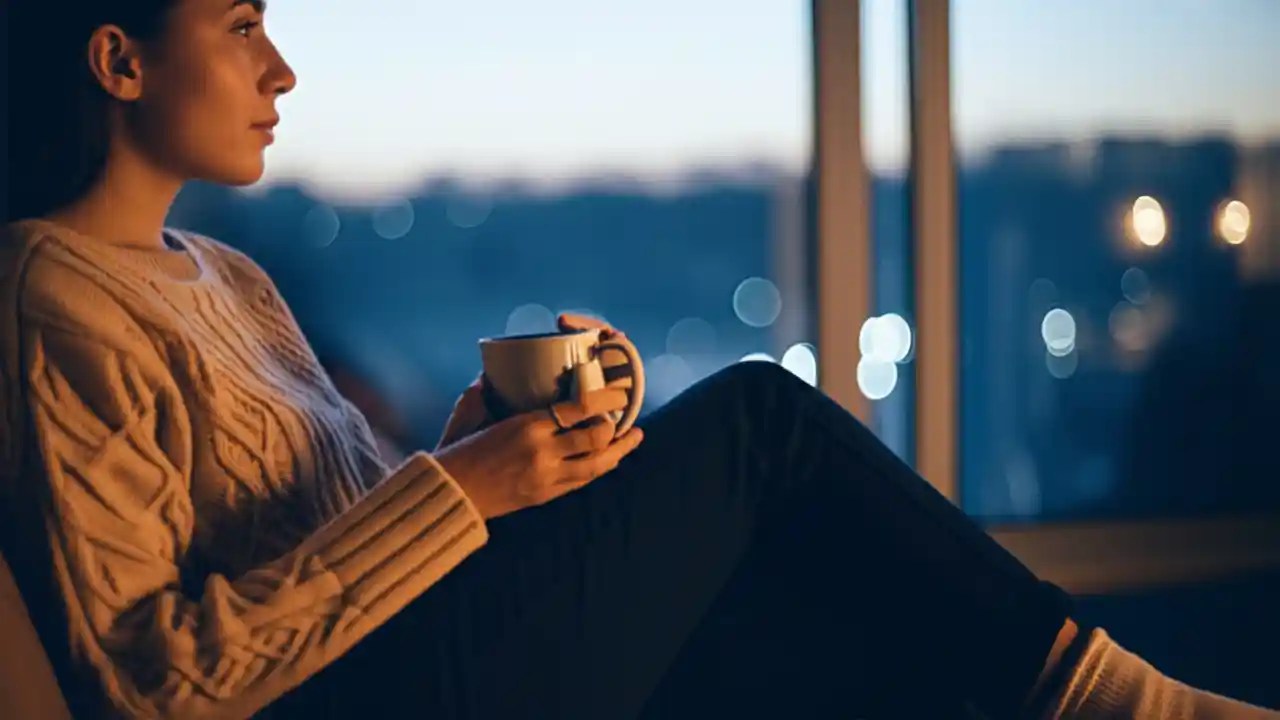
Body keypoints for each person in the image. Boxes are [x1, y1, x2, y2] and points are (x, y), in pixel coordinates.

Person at [0, 1, 1275, 718]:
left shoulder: (229, 277)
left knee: (758, 575)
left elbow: (346, 530)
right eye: (238, 26)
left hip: (409, 654)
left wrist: (488, 444)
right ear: (119, 59)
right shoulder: (52, 293)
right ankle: (1124, 705)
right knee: (758, 426)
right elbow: (146, 683)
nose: (280, 66)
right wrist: (466, 492)